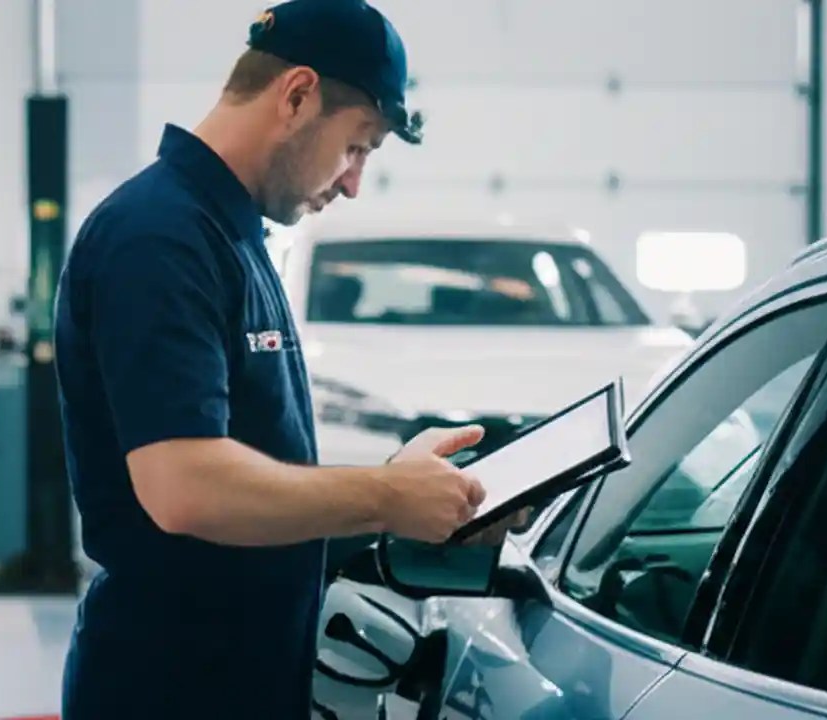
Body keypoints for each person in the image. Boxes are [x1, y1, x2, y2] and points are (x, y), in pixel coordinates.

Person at [53, 1, 512, 717]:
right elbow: (188, 488)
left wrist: (401, 494)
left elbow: (257, 469)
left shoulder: (230, 235)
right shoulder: (159, 239)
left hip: (235, 675)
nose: (355, 180)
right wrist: (385, 496)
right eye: (359, 144)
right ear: (297, 95)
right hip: (170, 687)